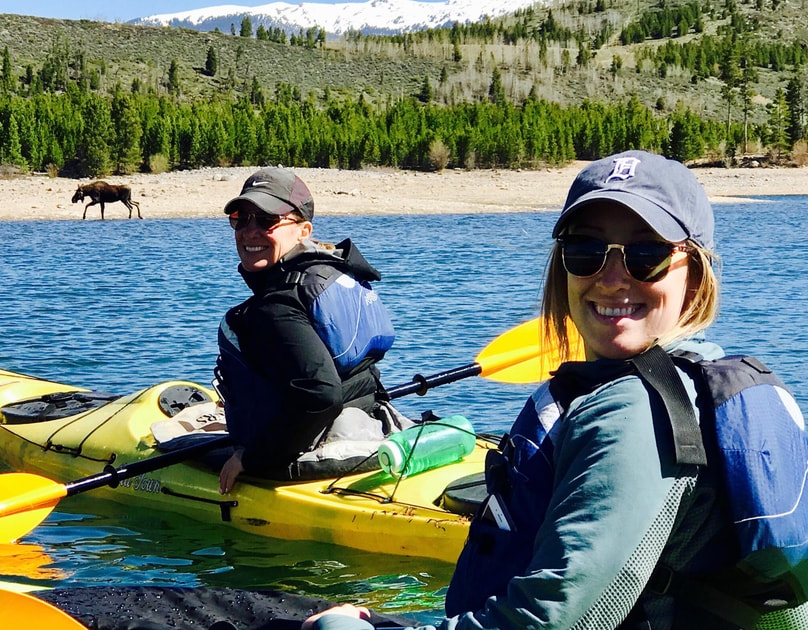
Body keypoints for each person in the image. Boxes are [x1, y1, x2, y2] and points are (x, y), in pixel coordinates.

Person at [304, 150, 799, 629]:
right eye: (584, 252)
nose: (610, 278)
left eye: (646, 254)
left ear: (695, 276)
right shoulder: (693, 377)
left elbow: (554, 617)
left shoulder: (634, 411)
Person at [215, 167, 400, 495]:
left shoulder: (276, 306)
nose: (249, 231)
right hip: (366, 423)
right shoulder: (331, 274)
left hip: (314, 450)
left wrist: (252, 458)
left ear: (303, 230)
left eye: (267, 220)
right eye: (241, 218)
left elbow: (320, 396)